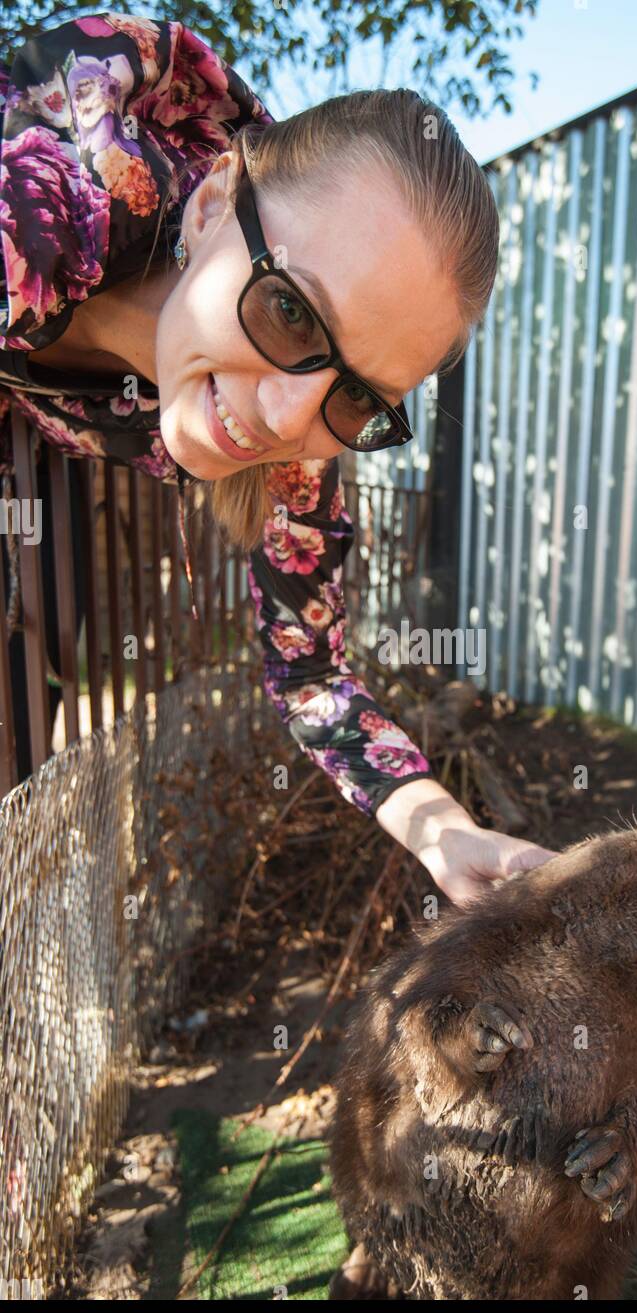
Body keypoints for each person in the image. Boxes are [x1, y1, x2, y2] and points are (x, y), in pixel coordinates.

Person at [0, 13, 555, 905]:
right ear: (215, 201)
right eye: (292, 312)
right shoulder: (47, 199)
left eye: (359, 397)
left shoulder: (300, 450)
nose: (290, 418)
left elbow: (310, 674)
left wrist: (442, 829)